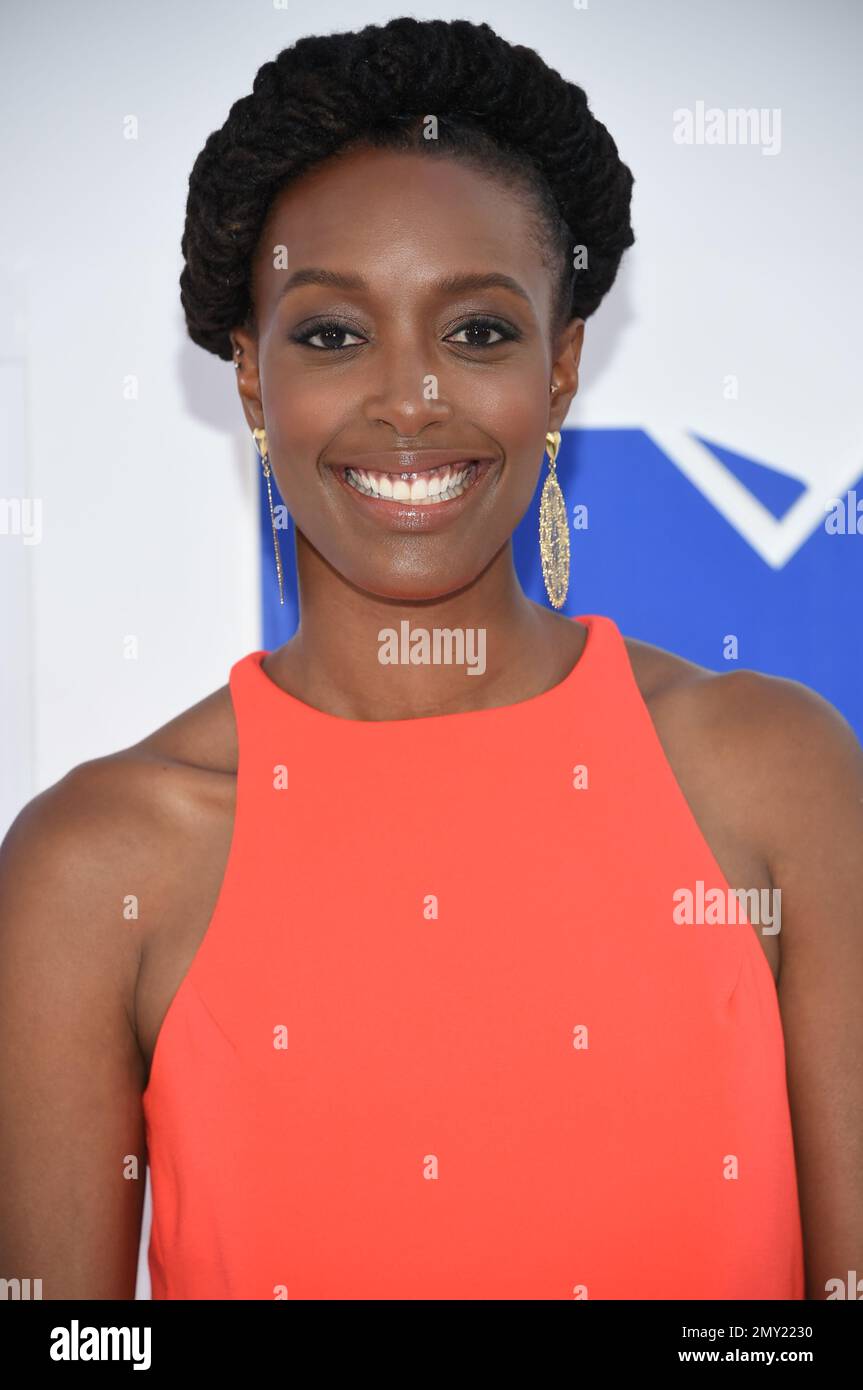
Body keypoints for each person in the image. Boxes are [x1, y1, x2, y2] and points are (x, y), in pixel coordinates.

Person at [1, 15, 861, 1301]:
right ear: (248, 376)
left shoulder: (774, 774)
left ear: (562, 366)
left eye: (477, 332)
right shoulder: (95, 863)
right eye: (331, 335)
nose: (410, 401)